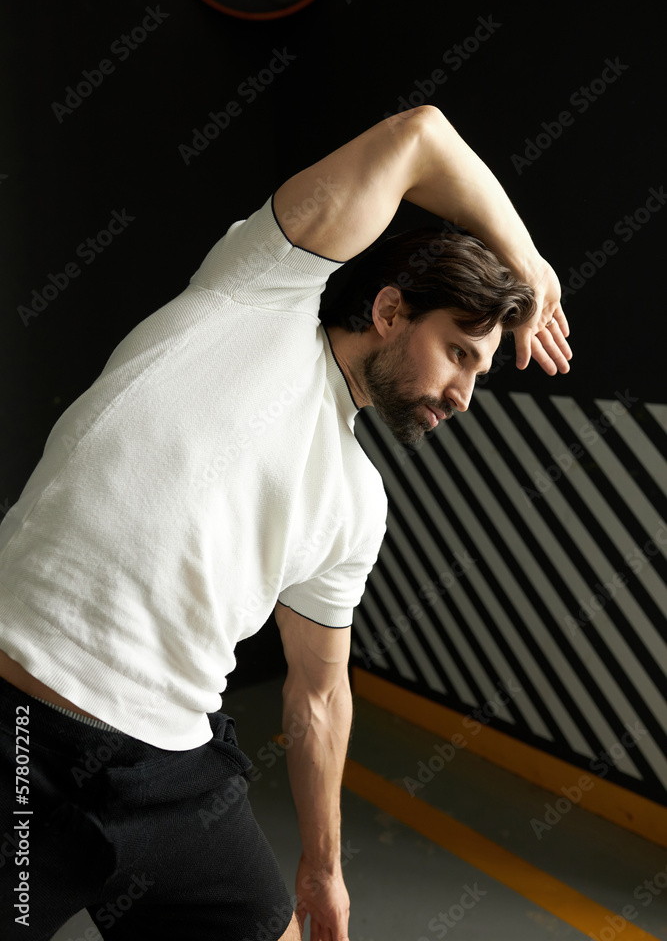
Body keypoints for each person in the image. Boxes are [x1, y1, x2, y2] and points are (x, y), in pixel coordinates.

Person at [0, 104, 571, 941]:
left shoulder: (357, 502)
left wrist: (324, 869)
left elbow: (318, 693)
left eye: (478, 374)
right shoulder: (260, 290)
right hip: (25, 739)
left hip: (167, 774)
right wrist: (527, 265)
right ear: (388, 311)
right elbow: (419, 136)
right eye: (458, 351)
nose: (463, 395)